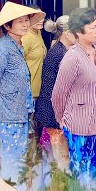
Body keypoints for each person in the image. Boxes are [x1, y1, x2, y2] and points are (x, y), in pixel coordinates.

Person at [52, 7, 96, 191]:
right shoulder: (72, 57)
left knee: (93, 162)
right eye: (92, 28)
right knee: (80, 166)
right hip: (78, 119)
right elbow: (59, 93)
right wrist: (61, 118)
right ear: (79, 31)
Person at [0, 2, 43, 185]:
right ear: (7, 26)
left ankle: (15, 188)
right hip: (9, 111)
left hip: (21, 109)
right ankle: (10, 190)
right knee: (12, 155)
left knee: (19, 153)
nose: (25, 24)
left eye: (26, 20)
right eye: (19, 22)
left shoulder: (18, 45)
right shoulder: (1, 49)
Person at [37, 16, 74, 173]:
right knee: (60, 160)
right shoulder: (59, 54)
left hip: (53, 111)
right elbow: (56, 90)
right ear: (67, 34)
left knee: (56, 158)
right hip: (53, 113)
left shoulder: (61, 50)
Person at [23, 9, 47, 101]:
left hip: (38, 89)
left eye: (41, 17)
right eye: (36, 17)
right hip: (27, 91)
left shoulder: (38, 32)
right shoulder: (26, 37)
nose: (41, 20)